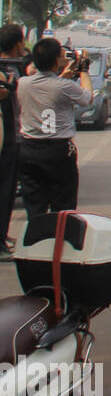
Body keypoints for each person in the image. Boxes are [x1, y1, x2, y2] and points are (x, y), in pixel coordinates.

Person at [15, 38, 92, 217]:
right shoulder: (64, 86)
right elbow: (87, 98)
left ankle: (35, 241)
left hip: (29, 149)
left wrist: (62, 74)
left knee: (34, 204)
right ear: (56, 60)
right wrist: (84, 71)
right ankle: (59, 240)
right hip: (58, 150)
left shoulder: (23, 83)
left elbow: (49, 85)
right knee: (63, 206)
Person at [0, 24, 29, 258]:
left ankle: (3, 232)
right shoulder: (5, 70)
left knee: (9, 191)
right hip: (7, 137)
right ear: (17, 43)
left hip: (13, 135)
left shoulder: (17, 67)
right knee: (5, 188)